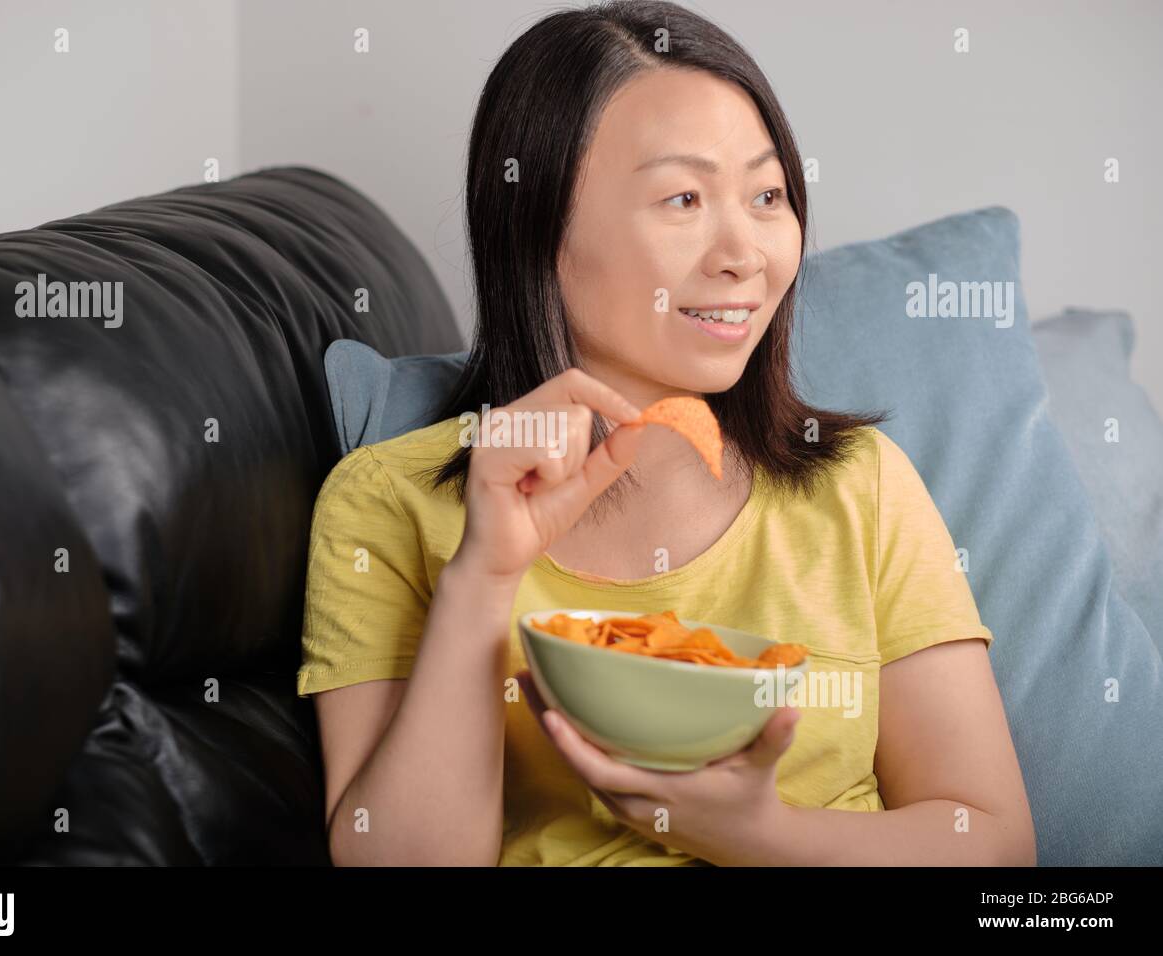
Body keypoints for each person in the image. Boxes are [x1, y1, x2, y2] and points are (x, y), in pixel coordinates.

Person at [297, 0, 1036, 866]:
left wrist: (760, 835)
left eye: (768, 195)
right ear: (535, 228)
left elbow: (993, 844)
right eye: (683, 198)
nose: (746, 252)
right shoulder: (383, 504)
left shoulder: (858, 486)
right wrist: (484, 577)